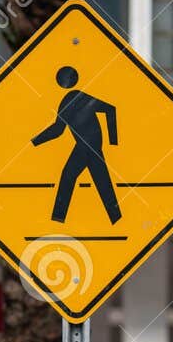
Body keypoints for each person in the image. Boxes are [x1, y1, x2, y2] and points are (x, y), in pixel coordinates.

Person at [31, 65, 120, 225]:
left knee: (80, 178)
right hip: (86, 145)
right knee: (94, 180)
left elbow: (110, 109)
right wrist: (34, 142)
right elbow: (58, 129)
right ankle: (115, 218)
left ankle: (59, 219)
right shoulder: (70, 100)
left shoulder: (77, 97)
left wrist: (113, 140)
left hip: (89, 145)